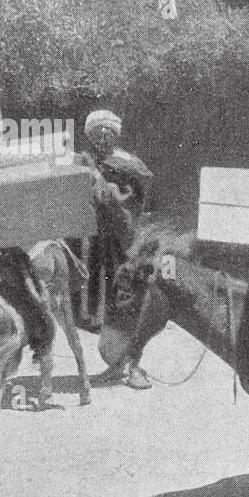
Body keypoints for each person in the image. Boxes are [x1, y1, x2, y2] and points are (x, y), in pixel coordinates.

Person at [81, 108, 153, 389]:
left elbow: (140, 196)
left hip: (128, 243)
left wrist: (114, 196)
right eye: (96, 132)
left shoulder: (128, 164)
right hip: (103, 246)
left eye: (106, 131)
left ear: (114, 134)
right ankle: (116, 366)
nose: (102, 136)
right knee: (113, 307)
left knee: (132, 305)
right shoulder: (88, 163)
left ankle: (134, 367)